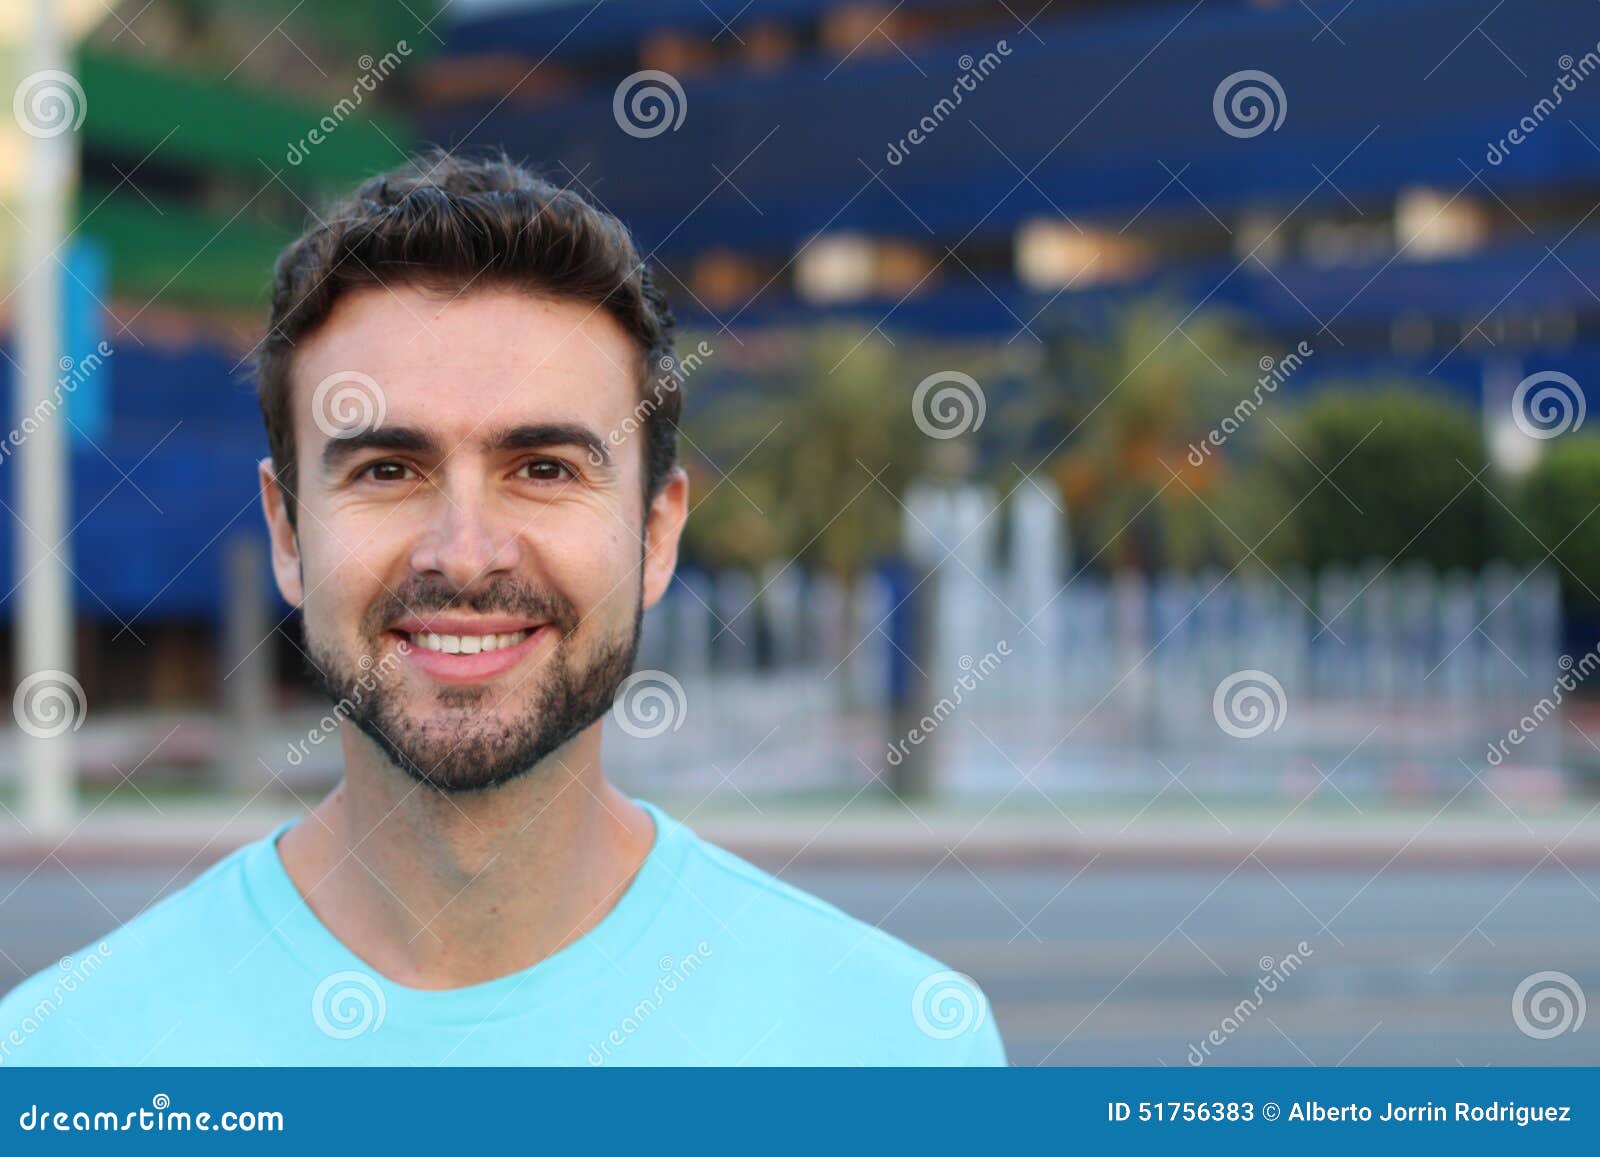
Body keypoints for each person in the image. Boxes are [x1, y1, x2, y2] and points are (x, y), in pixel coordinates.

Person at [0, 148, 1006, 1066]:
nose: (465, 554)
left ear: (656, 533)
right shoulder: (63, 1058)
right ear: (288, 532)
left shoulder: (893, 1049)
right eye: (389, 467)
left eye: (542, 467)